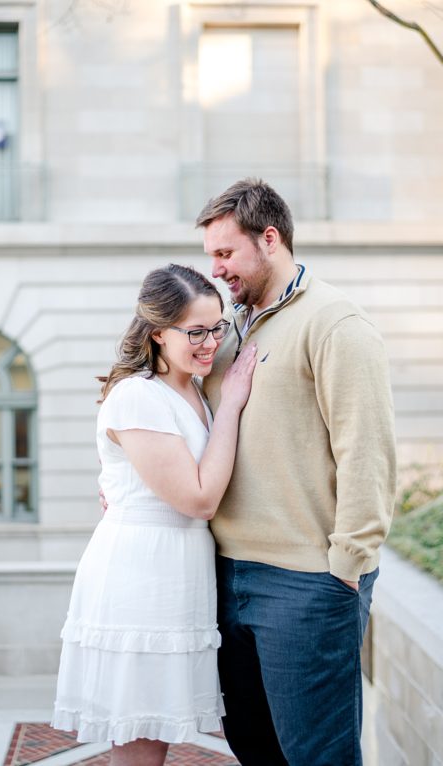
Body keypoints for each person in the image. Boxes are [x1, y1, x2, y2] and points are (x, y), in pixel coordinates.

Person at [197, 178, 396, 765]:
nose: (217, 269)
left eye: (226, 253)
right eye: (211, 256)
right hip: (224, 575)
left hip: (306, 582)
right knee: (253, 748)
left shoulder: (335, 322)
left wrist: (346, 568)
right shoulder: (228, 328)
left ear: (270, 238)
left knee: (317, 756)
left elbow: (368, 450)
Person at [52, 264, 258, 766]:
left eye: (217, 327)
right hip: (141, 574)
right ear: (158, 332)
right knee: (140, 737)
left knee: (157, 732)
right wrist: (232, 404)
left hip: (180, 567)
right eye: (195, 332)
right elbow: (199, 498)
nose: (211, 342)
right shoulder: (138, 396)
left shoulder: (191, 387)